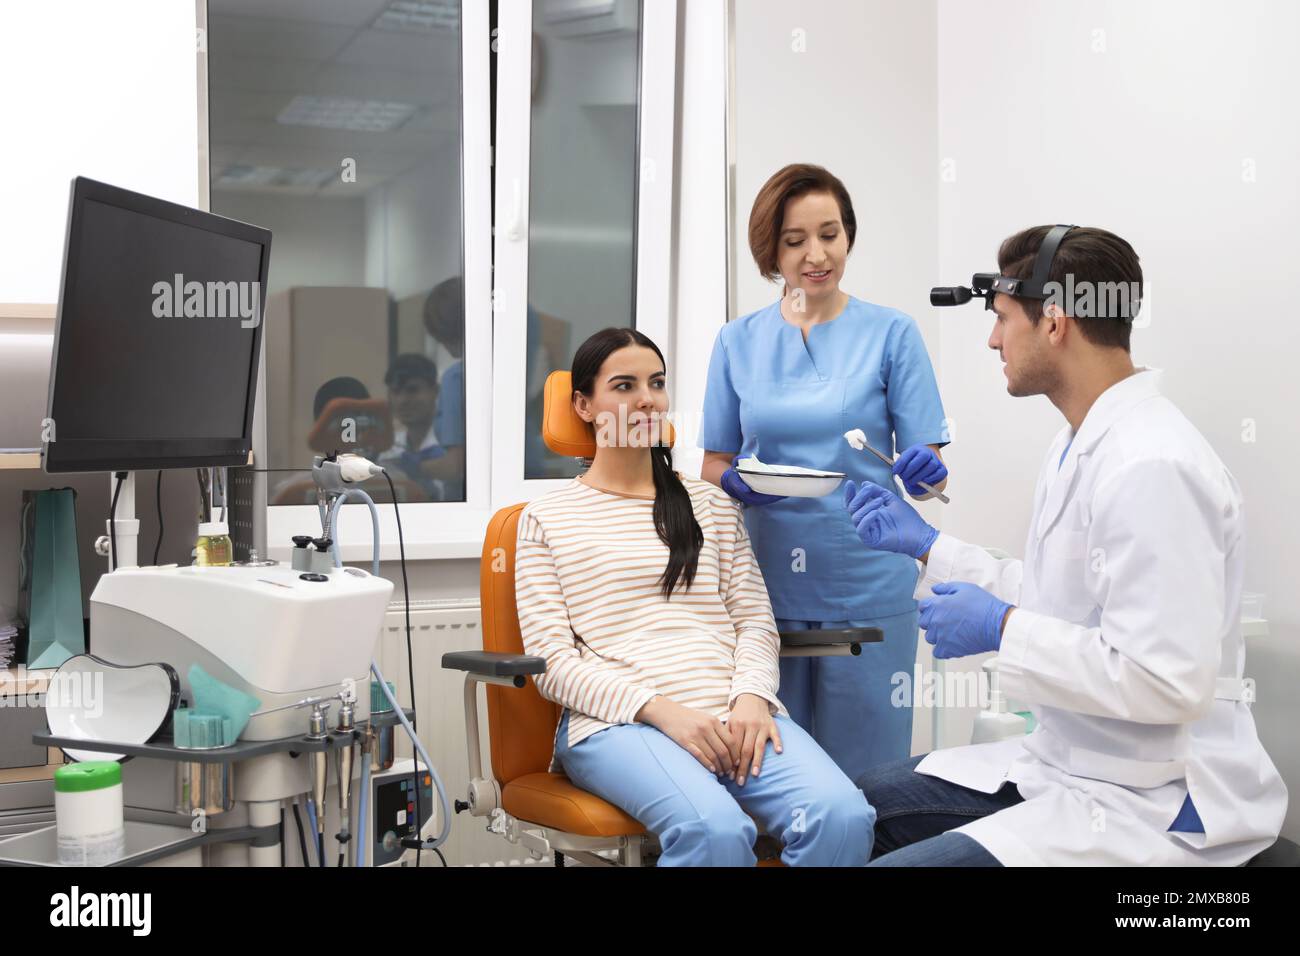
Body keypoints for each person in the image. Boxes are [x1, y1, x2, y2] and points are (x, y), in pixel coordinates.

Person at [850, 225, 1288, 866]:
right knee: (851, 808)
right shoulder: (1081, 441)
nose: (993, 338)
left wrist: (1002, 628)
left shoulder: (1152, 464)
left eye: (1001, 319)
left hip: (1160, 800)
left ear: (1054, 320)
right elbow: (1065, 602)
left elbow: (1168, 682)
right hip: (1073, 766)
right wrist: (928, 546)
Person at [515, 327, 874, 866]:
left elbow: (754, 621)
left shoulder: (710, 503)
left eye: (656, 383)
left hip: (733, 713)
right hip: (621, 724)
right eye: (624, 385)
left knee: (843, 816)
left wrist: (752, 699)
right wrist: (662, 712)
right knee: (715, 830)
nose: (646, 399)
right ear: (585, 406)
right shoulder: (545, 519)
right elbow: (551, 664)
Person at [700, 164, 949, 784]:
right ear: (771, 251)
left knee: (870, 781)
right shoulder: (737, 342)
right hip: (766, 587)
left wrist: (925, 472)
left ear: (848, 236)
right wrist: (732, 483)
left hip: (867, 584)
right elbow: (714, 460)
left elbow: (930, 470)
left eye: (830, 234)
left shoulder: (892, 333)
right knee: (778, 777)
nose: (816, 255)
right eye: (795, 241)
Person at [378, 353, 449, 501]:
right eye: (396, 391)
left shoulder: (452, 448)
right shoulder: (388, 450)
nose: (403, 400)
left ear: (435, 390)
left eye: (412, 390)